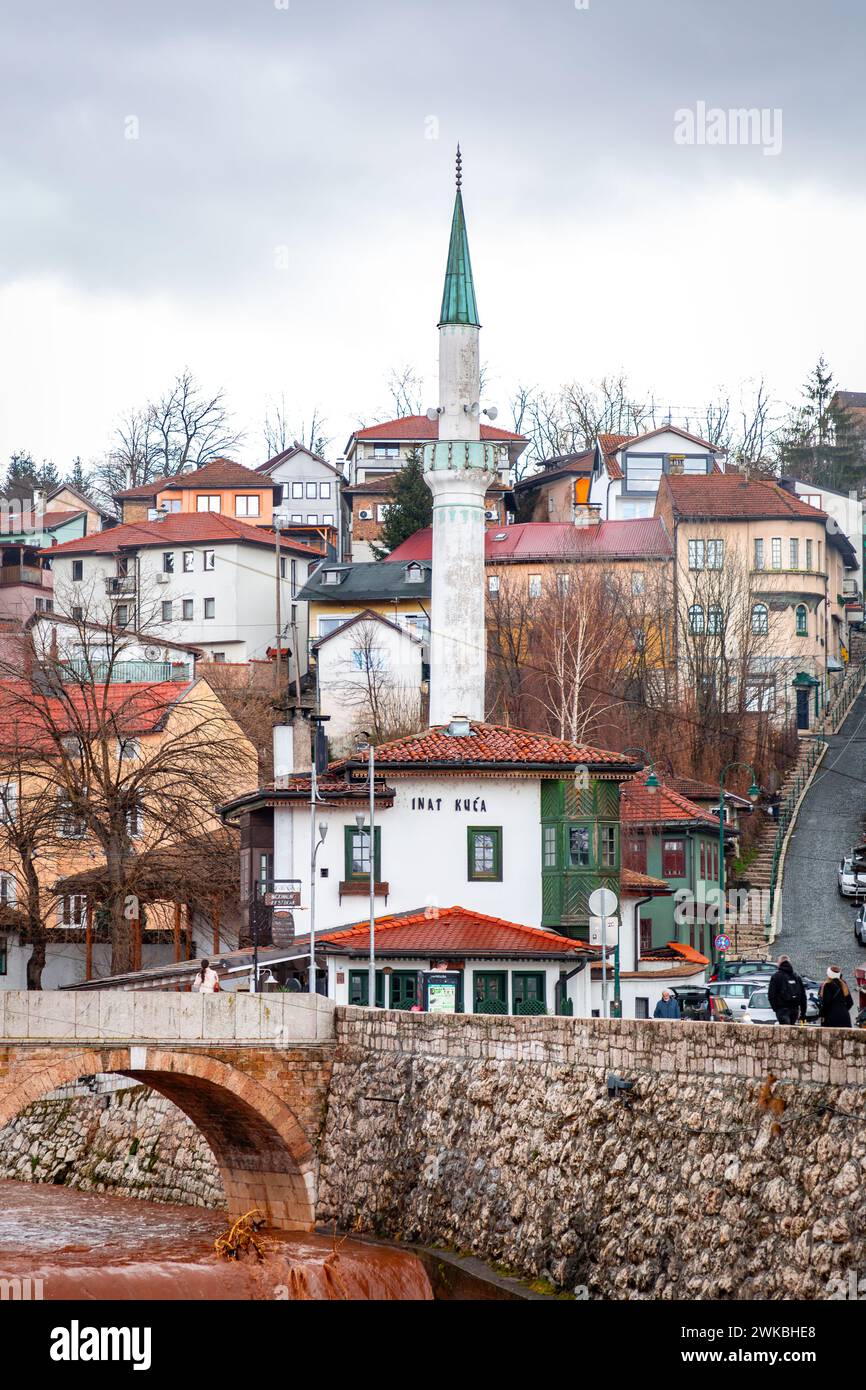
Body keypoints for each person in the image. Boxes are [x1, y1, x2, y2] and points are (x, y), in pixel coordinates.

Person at [767, 955, 807, 1025]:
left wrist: (776, 1008)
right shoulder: (796, 976)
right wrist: (803, 1012)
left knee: (785, 1031)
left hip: (782, 1009)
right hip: (795, 1009)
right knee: (792, 1030)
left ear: (779, 963)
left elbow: (771, 995)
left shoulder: (776, 976)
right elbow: (803, 995)